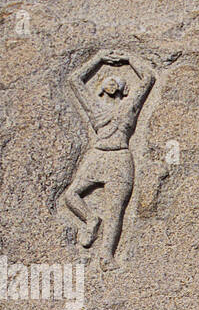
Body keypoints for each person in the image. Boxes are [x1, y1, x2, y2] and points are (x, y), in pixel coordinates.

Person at [63, 50, 156, 268]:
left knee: (114, 211)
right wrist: (104, 58)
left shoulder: (127, 107)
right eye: (109, 80)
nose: (113, 82)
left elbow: (148, 79)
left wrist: (122, 58)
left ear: (123, 90)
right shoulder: (98, 107)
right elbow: (74, 81)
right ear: (102, 87)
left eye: (117, 81)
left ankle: (106, 256)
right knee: (71, 194)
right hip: (99, 155)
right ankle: (91, 219)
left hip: (119, 158)